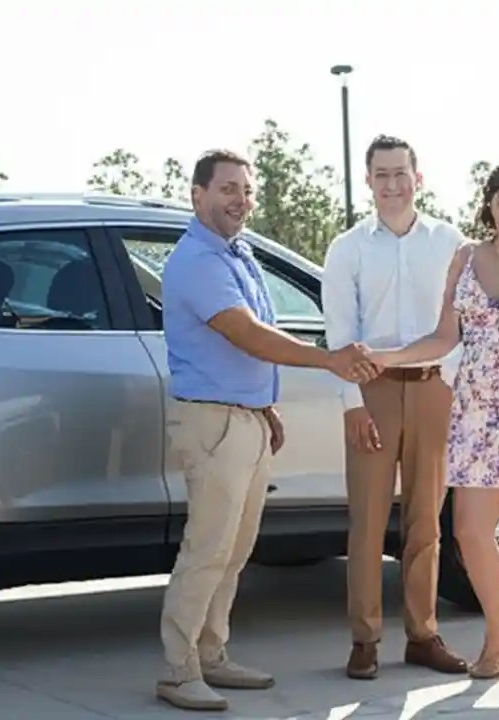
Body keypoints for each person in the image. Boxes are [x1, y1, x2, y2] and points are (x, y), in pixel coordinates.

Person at [157, 148, 379, 712]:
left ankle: (212, 655)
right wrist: (329, 359)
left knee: (234, 551)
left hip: (245, 418)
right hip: (213, 423)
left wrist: (265, 404)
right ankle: (179, 670)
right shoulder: (198, 262)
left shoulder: (238, 253)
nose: (240, 200)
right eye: (227, 188)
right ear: (198, 194)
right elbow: (247, 334)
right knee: (206, 548)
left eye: (246, 190)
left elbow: (255, 346)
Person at [368, 159, 499, 686]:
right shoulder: (465, 258)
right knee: (468, 529)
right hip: (475, 409)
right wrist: (384, 358)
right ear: (489, 203)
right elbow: (445, 338)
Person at [321, 135, 471, 680]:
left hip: (433, 390)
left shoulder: (450, 242)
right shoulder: (348, 249)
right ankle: (365, 640)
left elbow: (461, 322)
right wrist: (351, 405)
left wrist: (449, 386)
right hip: (373, 392)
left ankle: (423, 635)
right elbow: (339, 334)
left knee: (426, 521)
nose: (391, 184)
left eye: (400, 173)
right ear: (368, 181)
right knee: (366, 523)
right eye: (381, 175)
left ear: (418, 177)